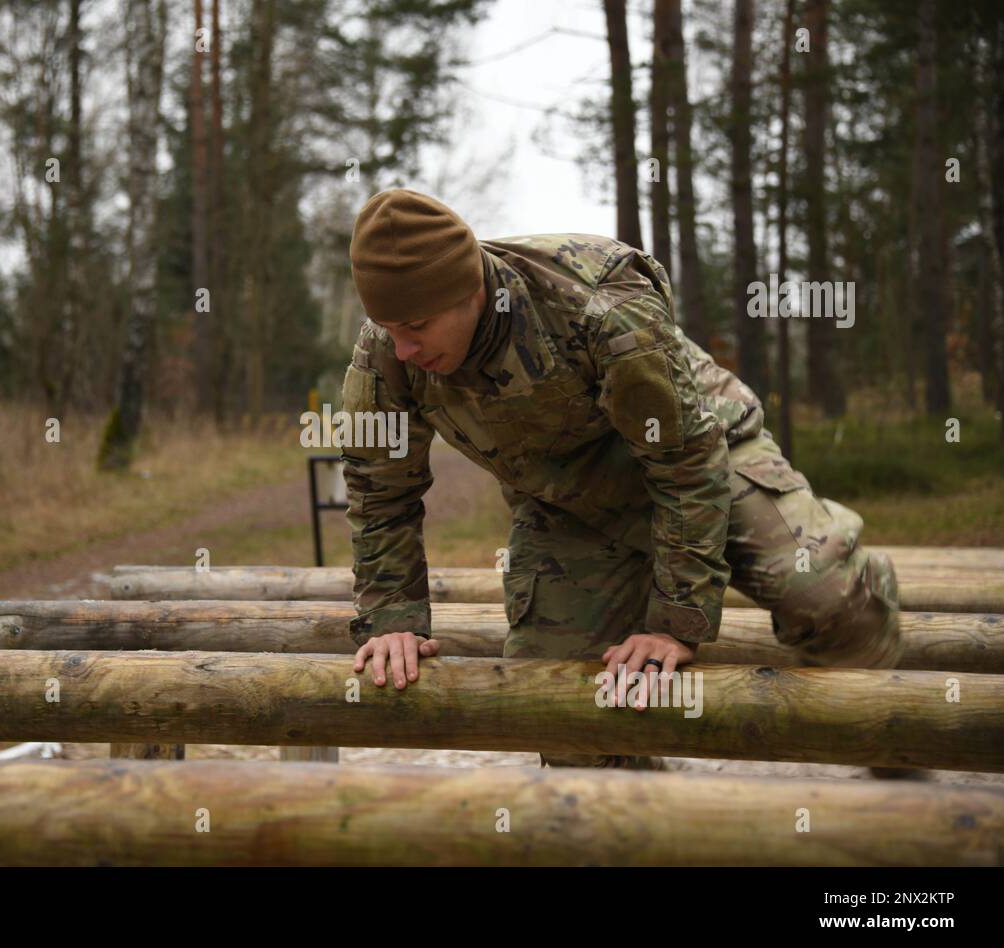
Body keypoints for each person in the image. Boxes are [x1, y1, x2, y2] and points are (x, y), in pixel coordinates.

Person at [340, 189, 901, 768]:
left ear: (470, 289)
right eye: (388, 327)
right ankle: (635, 822)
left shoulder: (599, 305)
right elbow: (379, 488)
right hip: (573, 503)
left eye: (417, 326)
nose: (403, 348)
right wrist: (392, 619)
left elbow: (686, 463)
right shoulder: (387, 348)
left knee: (823, 596)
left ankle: (894, 731)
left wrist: (675, 622)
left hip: (707, 459)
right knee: (560, 708)